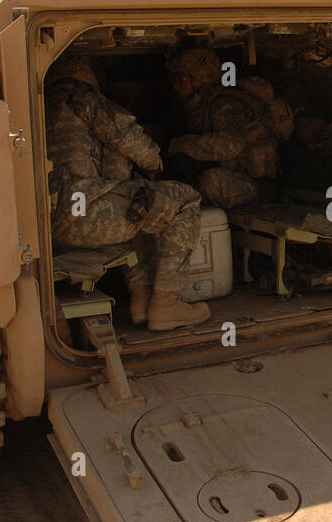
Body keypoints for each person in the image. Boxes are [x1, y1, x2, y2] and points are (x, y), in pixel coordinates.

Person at [45, 56, 210, 331]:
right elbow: (131, 140)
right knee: (184, 201)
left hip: (49, 226)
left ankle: (142, 301)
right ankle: (167, 303)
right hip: (86, 213)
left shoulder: (36, 109)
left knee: (142, 212)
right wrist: (156, 163)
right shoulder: (81, 99)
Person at [165, 48, 294, 209]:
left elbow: (229, 145)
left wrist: (181, 145)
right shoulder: (203, 104)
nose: (176, 87)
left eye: (181, 80)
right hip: (237, 176)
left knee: (210, 184)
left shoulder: (225, 104)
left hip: (257, 183)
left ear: (198, 81)